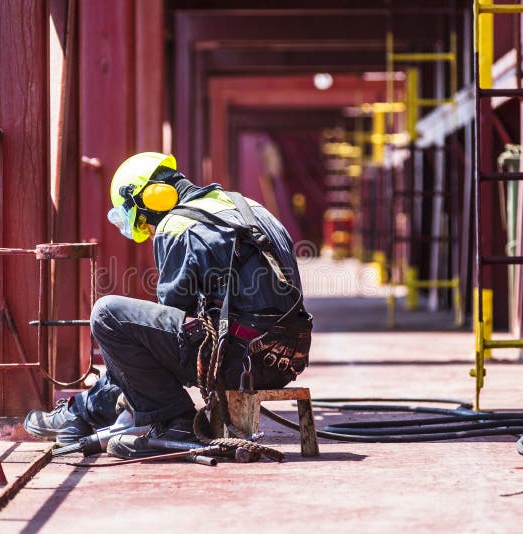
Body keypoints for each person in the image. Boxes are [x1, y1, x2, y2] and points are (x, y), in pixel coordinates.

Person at [24, 152, 312, 449]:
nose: (148, 232)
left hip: (241, 362)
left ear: (153, 199)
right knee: (141, 330)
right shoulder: (246, 206)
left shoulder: (177, 223)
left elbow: (170, 326)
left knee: (108, 316)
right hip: (286, 359)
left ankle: (172, 423)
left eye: (144, 224)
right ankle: (82, 412)